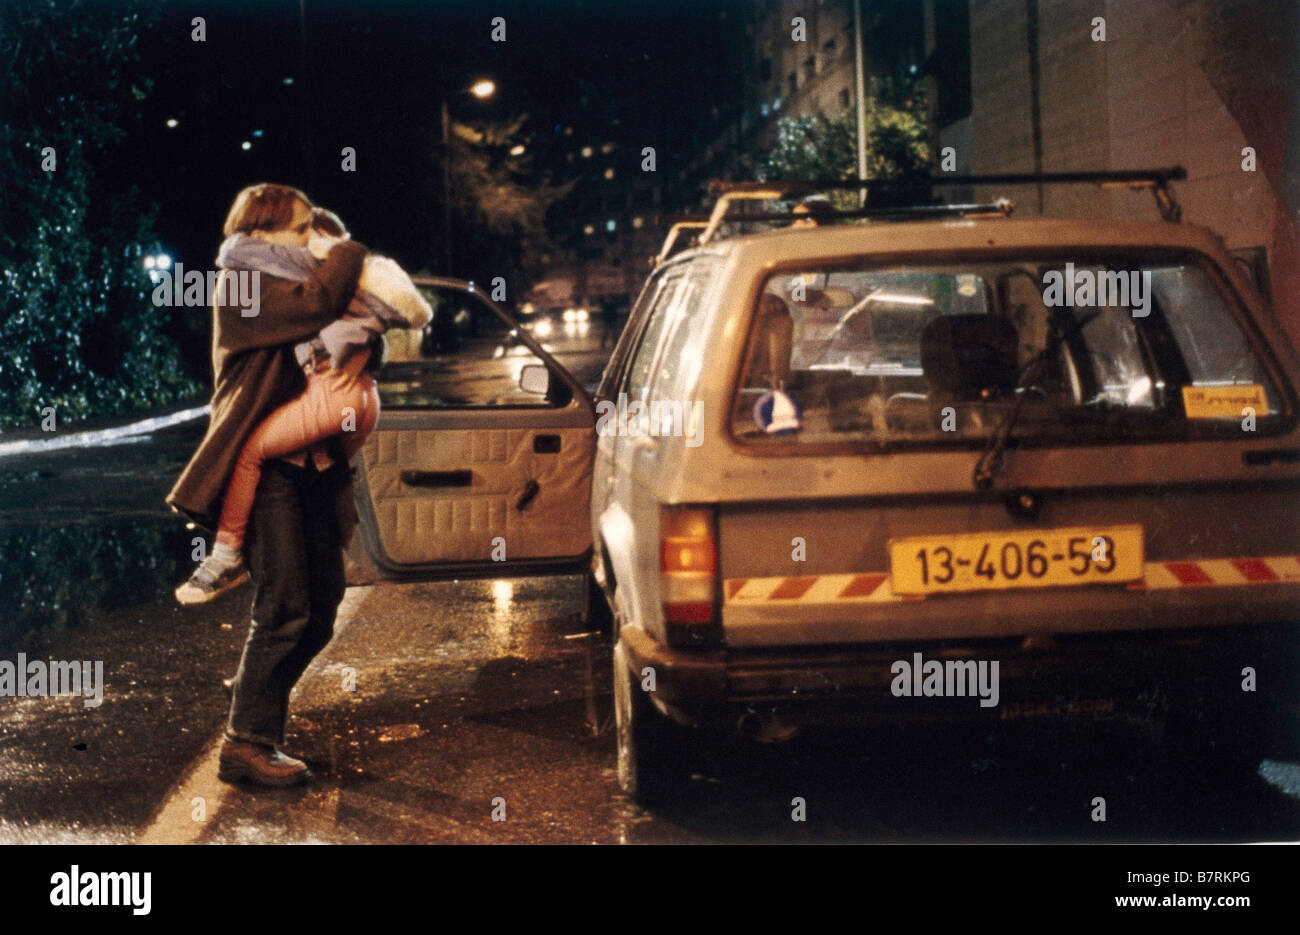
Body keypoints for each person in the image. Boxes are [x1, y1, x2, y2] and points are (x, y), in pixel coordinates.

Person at [167, 183, 368, 786]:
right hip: (269, 472)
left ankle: (261, 711)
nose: (312, 240)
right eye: (302, 228)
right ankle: (247, 741)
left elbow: (346, 325)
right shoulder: (243, 285)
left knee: (323, 606)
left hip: (314, 465)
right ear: (265, 230)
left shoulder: (288, 281)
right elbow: (318, 305)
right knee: (284, 605)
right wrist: (351, 249)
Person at [174, 208, 431, 604]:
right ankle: (333, 547)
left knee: (248, 452)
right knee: (328, 470)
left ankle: (225, 555)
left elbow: (305, 303)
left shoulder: (320, 282)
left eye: (303, 234)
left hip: (329, 395)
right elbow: (400, 317)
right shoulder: (365, 284)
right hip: (363, 400)